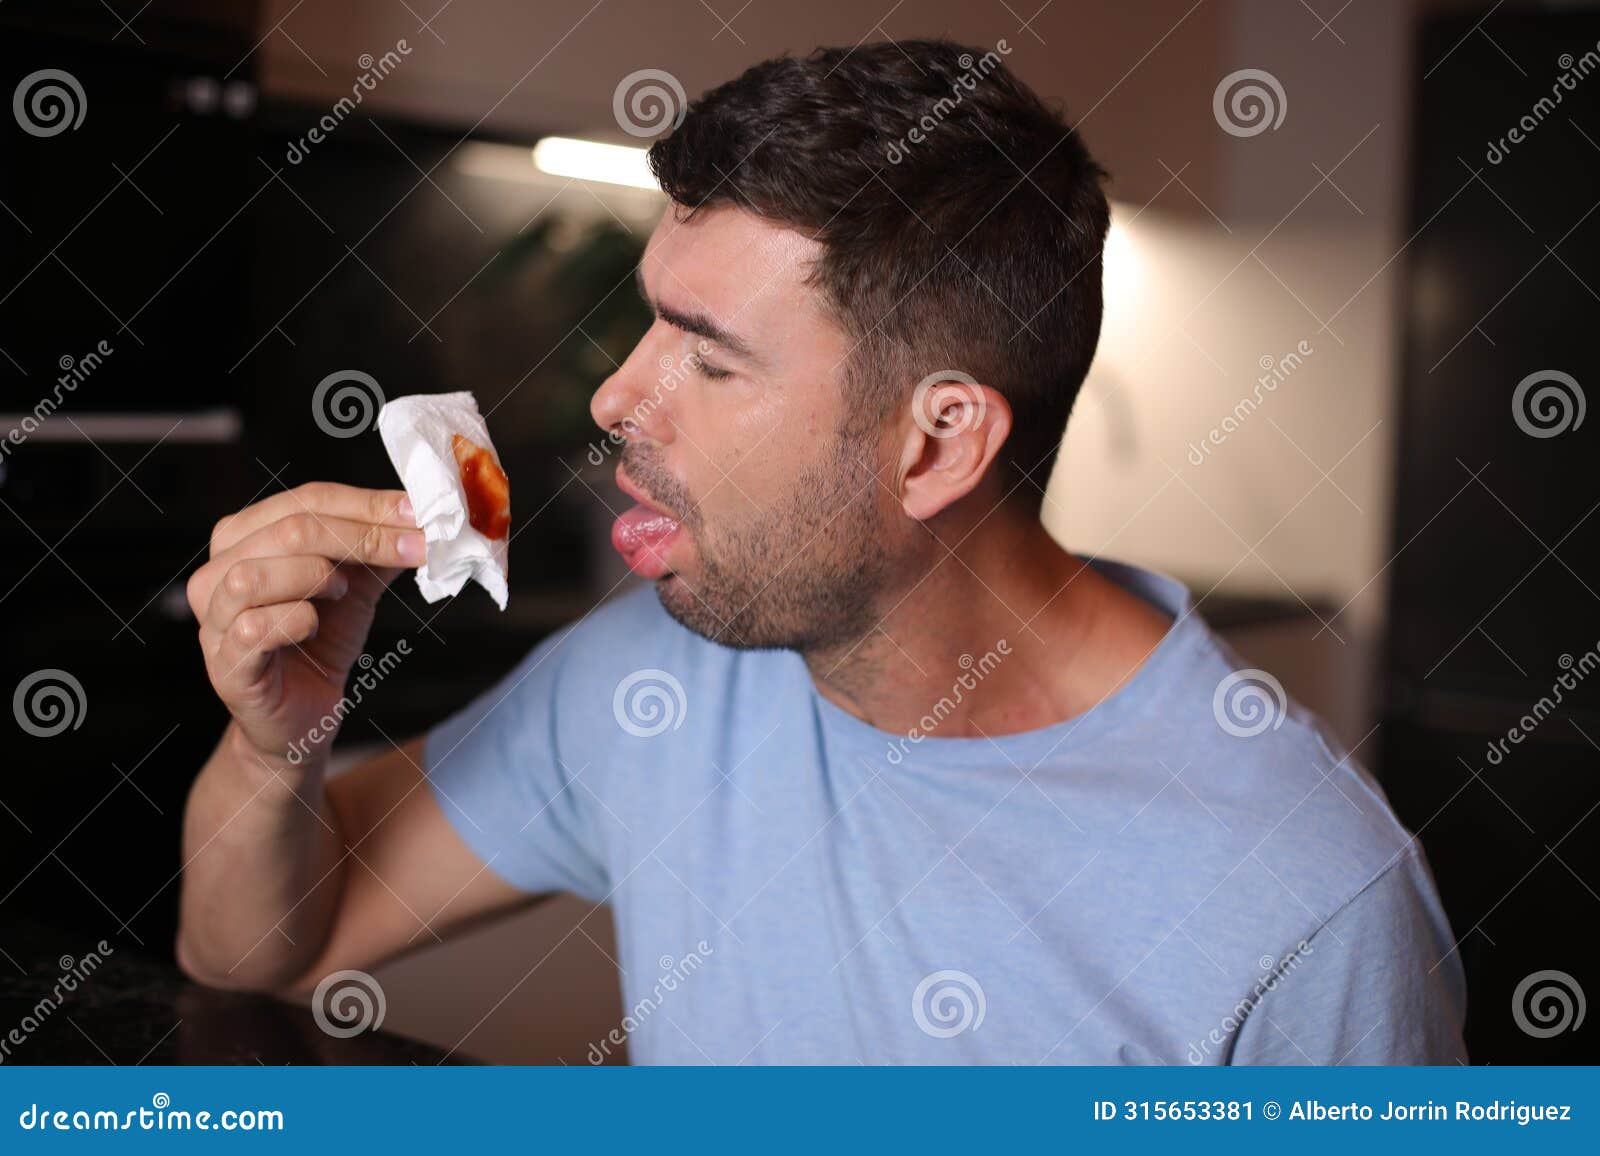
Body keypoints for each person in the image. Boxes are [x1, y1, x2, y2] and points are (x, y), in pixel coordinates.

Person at [177, 40, 1467, 1064]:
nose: (614, 400)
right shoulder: (649, 682)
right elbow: (268, 947)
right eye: (647, 327)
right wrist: (272, 740)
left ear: (937, 445)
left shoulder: (1305, 909)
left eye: (710, 355)